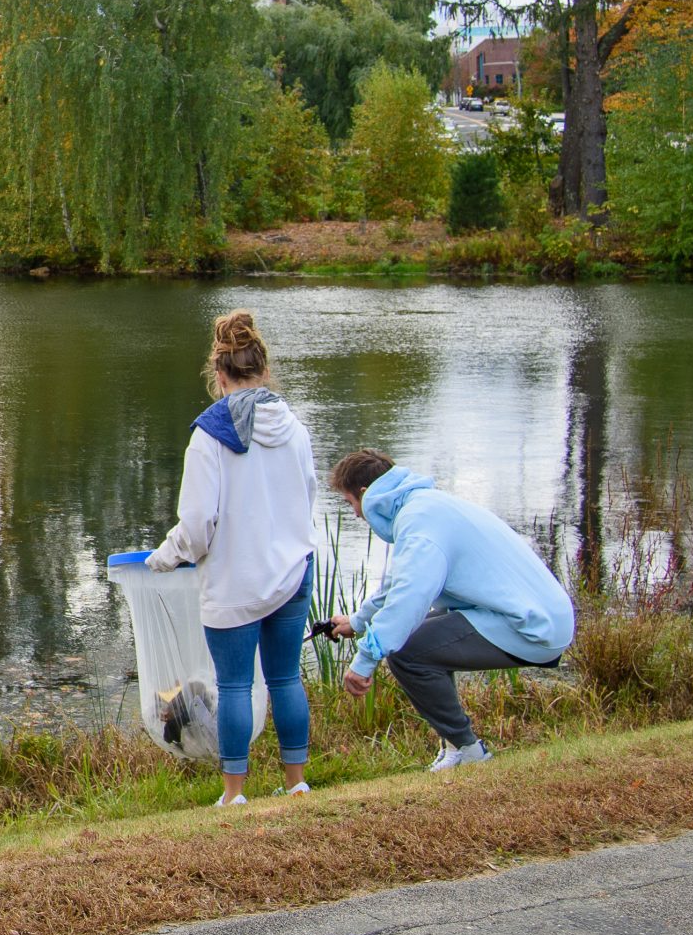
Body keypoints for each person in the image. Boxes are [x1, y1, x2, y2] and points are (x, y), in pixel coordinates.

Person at [146, 310, 318, 805]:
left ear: (219, 377)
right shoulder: (296, 429)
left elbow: (198, 527)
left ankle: (235, 793)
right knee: (286, 677)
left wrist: (165, 557)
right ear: (263, 370)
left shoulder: (209, 438)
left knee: (235, 685)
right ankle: (297, 783)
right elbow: (305, 503)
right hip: (292, 573)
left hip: (236, 582)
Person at [328, 448, 576, 771]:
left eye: (351, 505)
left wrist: (364, 660)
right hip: (537, 615)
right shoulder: (423, 507)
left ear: (365, 494)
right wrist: (358, 622)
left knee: (406, 651)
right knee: (420, 638)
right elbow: (395, 585)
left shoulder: (417, 524)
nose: (358, 516)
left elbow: (407, 601)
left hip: (533, 627)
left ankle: (468, 750)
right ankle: (456, 746)